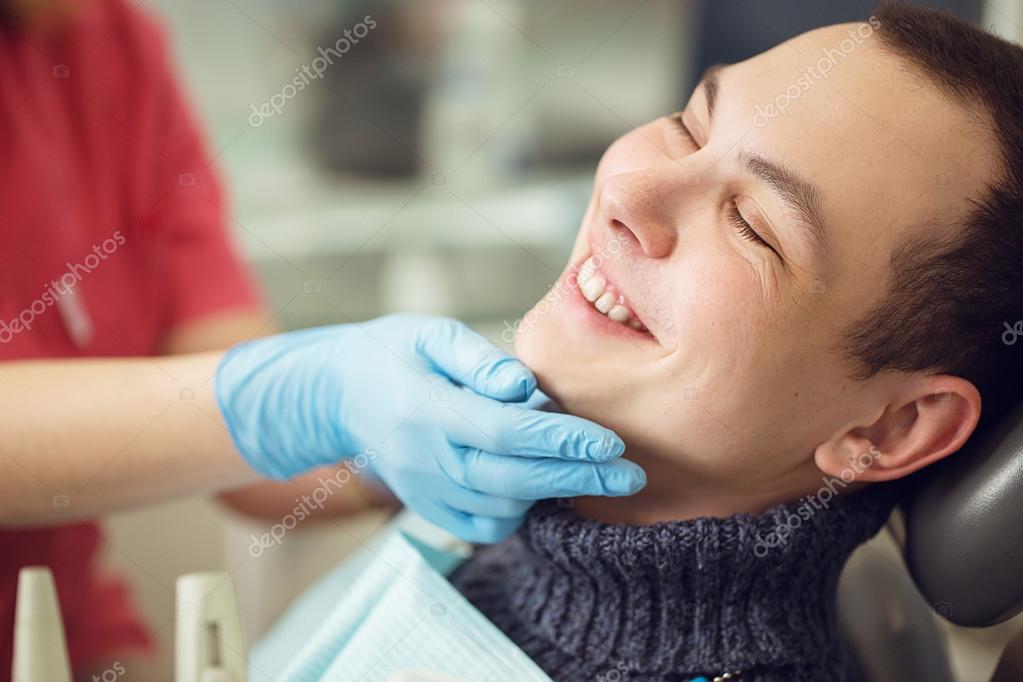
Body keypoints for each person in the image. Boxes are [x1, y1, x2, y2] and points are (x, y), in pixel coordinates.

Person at [0, 0, 644, 678]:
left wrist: (390, 449)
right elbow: (248, 411)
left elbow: (243, 450)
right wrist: (308, 399)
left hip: (69, 632)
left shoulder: (112, 44)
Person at [448, 5, 1023, 680]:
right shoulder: (497, 502)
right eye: (688, 128)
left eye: (751, 226)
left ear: (890, 428)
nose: (629, 195)